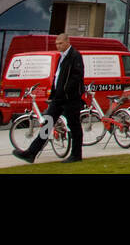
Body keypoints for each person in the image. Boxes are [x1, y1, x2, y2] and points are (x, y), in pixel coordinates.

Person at [13, 33, 84, 163]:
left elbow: (76, 77)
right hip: (58, 98)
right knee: (47, 124)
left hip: (70, 99)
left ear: (67, 42)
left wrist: (65, 91)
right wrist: (54, 95)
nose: (58, 46)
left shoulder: (75, 56)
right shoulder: (61, 57)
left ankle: (76, 155)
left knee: (74, 126)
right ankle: (31, 153)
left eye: (60, 43)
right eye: (57, 44)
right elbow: (57, 77)